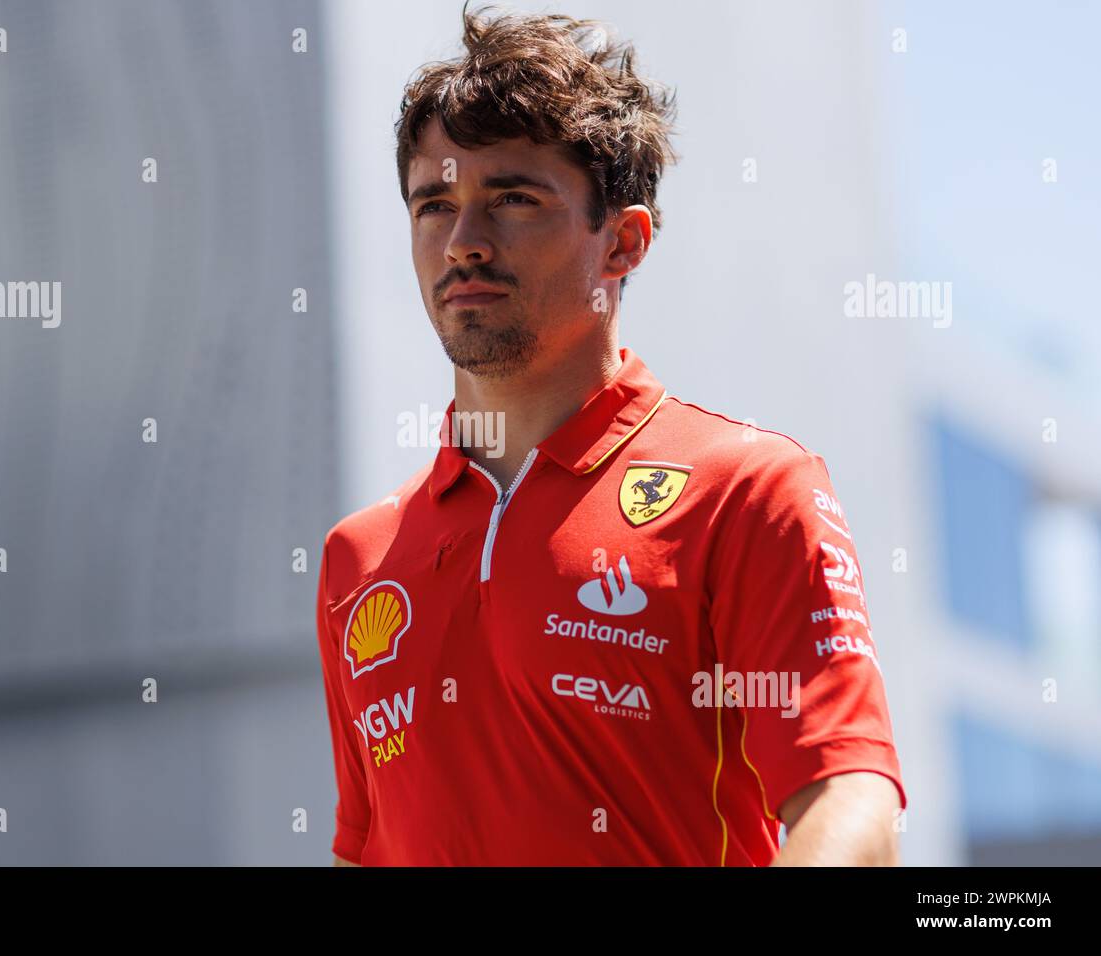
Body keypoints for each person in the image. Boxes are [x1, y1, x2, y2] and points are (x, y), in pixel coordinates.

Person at [317, 3, 905, 866]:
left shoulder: (747, 489)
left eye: (513, 199)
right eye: (434, 205)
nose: (464, 243)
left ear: (623, 243)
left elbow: (849, 802)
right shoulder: (356, 558)